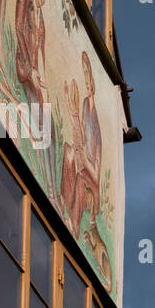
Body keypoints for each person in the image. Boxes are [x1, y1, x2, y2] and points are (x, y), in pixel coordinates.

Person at [60, 52, 102, 236]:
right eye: (83, 73)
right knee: (67, 150)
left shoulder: (96, 128)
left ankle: (75, 226)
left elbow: (96, 174)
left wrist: (84, 158)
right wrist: (73, 112)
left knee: (80, 178)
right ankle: (62, 201)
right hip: (83, 166)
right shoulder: (85, 105)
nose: (85, 79)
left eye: (87, 74)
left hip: (92, 185)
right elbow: (79, 140)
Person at [14, 0, 48, 109]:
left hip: (35, 72)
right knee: (38, 113)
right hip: (25, 68)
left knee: (45, 114)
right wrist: (30, 70)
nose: (43, 0)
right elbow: (19, 28)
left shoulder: (40, 15)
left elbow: (41, 49)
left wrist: (43, 76)